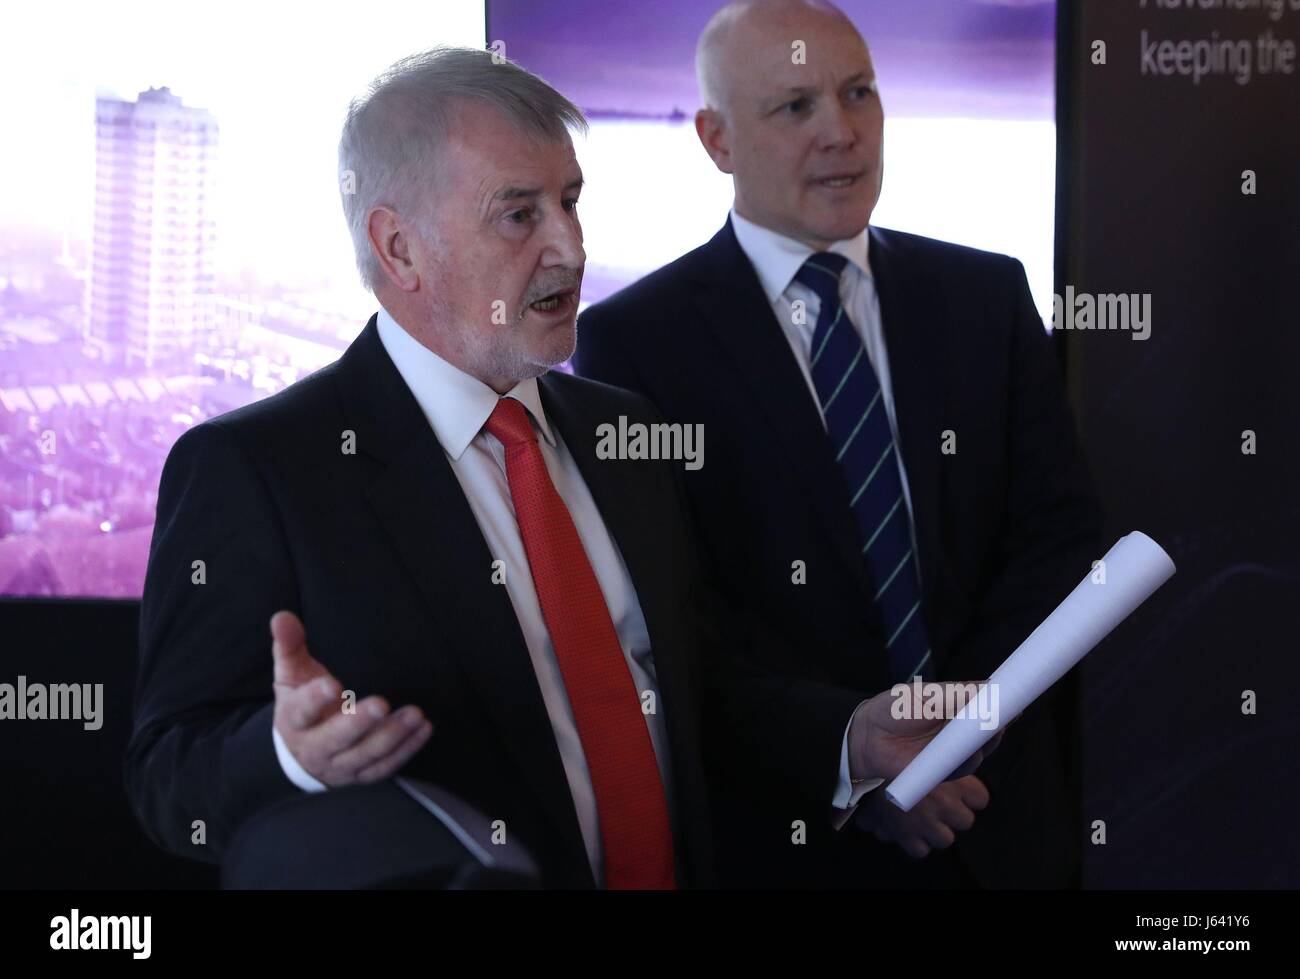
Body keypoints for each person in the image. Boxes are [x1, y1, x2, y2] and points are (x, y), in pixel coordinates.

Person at [124, 45, 982, 889]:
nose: (570, 247)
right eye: (519, 213)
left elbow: (696, 686)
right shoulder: (258, 469)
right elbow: (169, 776)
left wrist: (846, 739)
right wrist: (291, 754)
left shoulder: (626, 430)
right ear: (400, 248)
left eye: (570, 201)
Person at [573, 0, 1104, 888]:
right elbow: (676, 618)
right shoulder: (635, 344)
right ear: (716, 139)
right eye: (796, 107)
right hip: (794, 841)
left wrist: (953, 744)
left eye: (859, 93)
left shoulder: (986, 295)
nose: (842, 132)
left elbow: (1054, 541)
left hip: (999, 820)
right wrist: (857, 752)